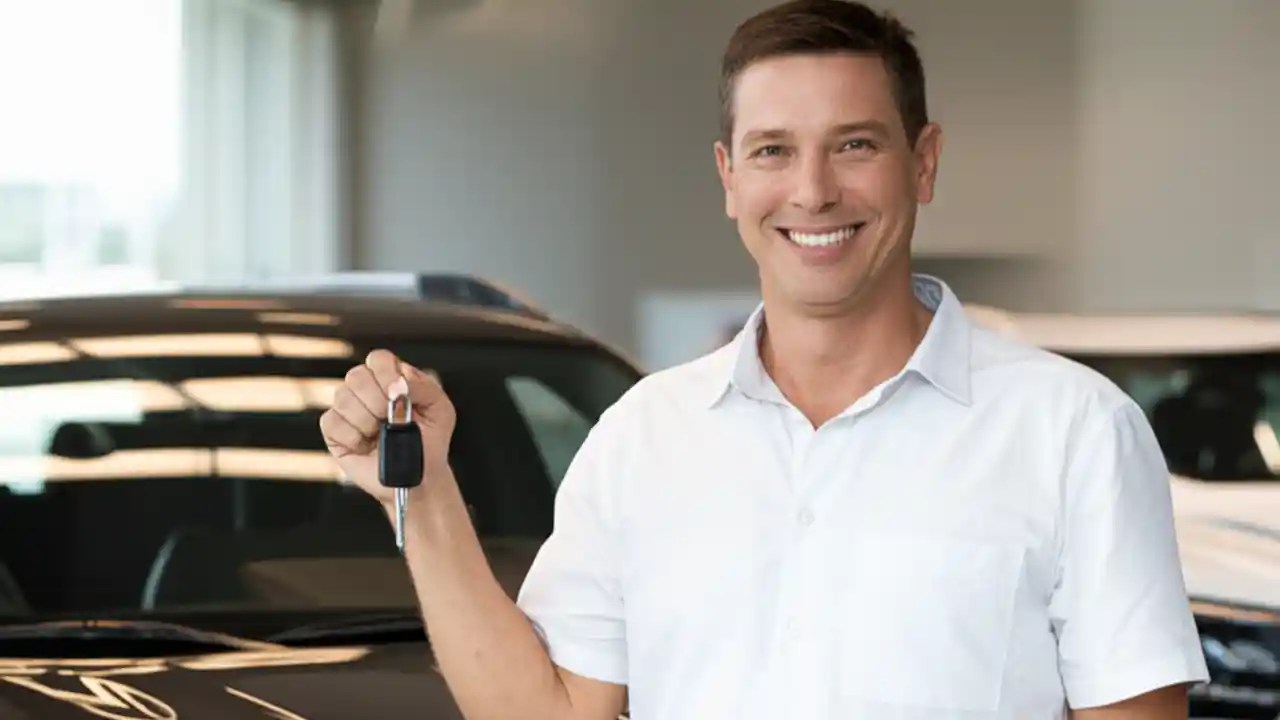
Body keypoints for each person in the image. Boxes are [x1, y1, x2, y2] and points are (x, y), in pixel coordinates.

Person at [319, 1, 1210, 717]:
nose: (813, 190)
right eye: (773, 151)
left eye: (855, 145)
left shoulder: (1077, 433)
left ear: (924, 162)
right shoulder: (644, 438)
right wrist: (424, 494)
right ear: (729, 178)